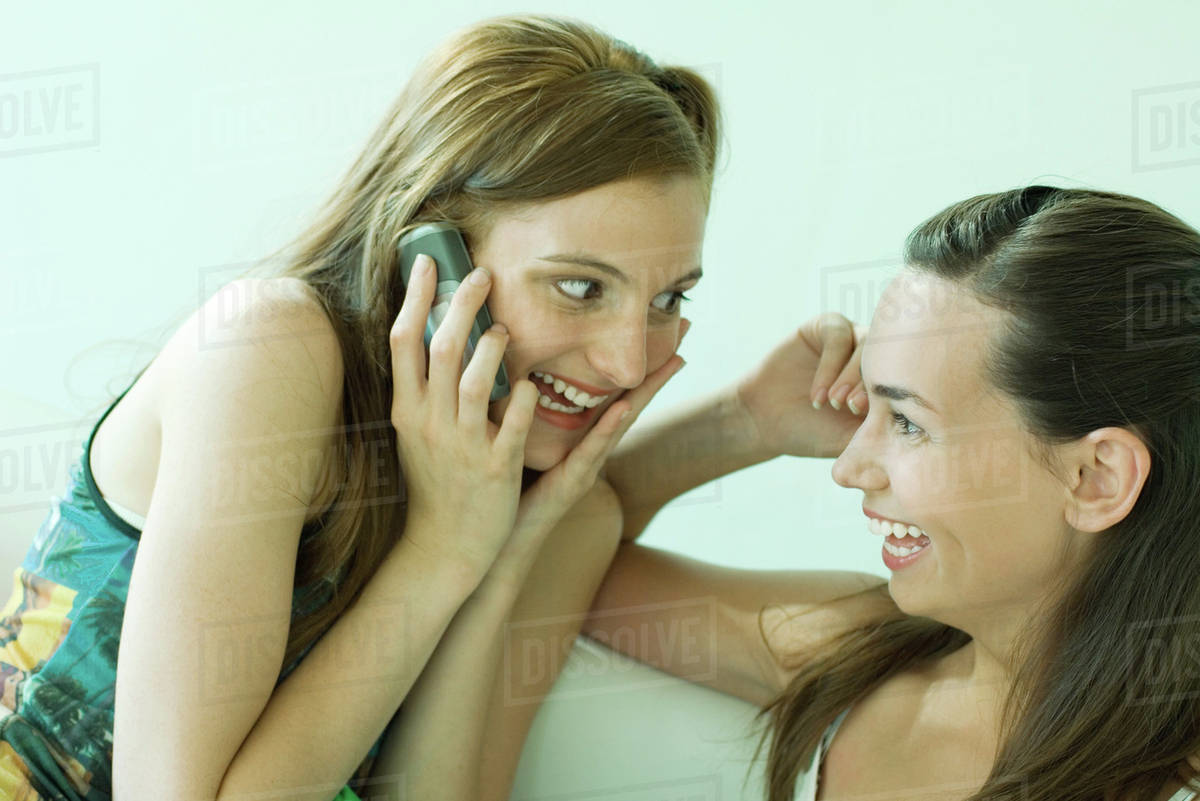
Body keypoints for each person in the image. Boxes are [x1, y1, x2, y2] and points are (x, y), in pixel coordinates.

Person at [0, 14, 717, 801]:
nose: (628, 359)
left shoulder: (501, 479)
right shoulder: (268, 349)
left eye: (669, 298)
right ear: (431, 257)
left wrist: (498, 552)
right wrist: (440, 552)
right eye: (580, 286)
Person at [580, 185, 1200, 801]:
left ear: (1097, 478)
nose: (849, 467)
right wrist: (744, 422)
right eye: (867, 405)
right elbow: (554, 547)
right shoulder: (854, 659)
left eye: (908, 422)